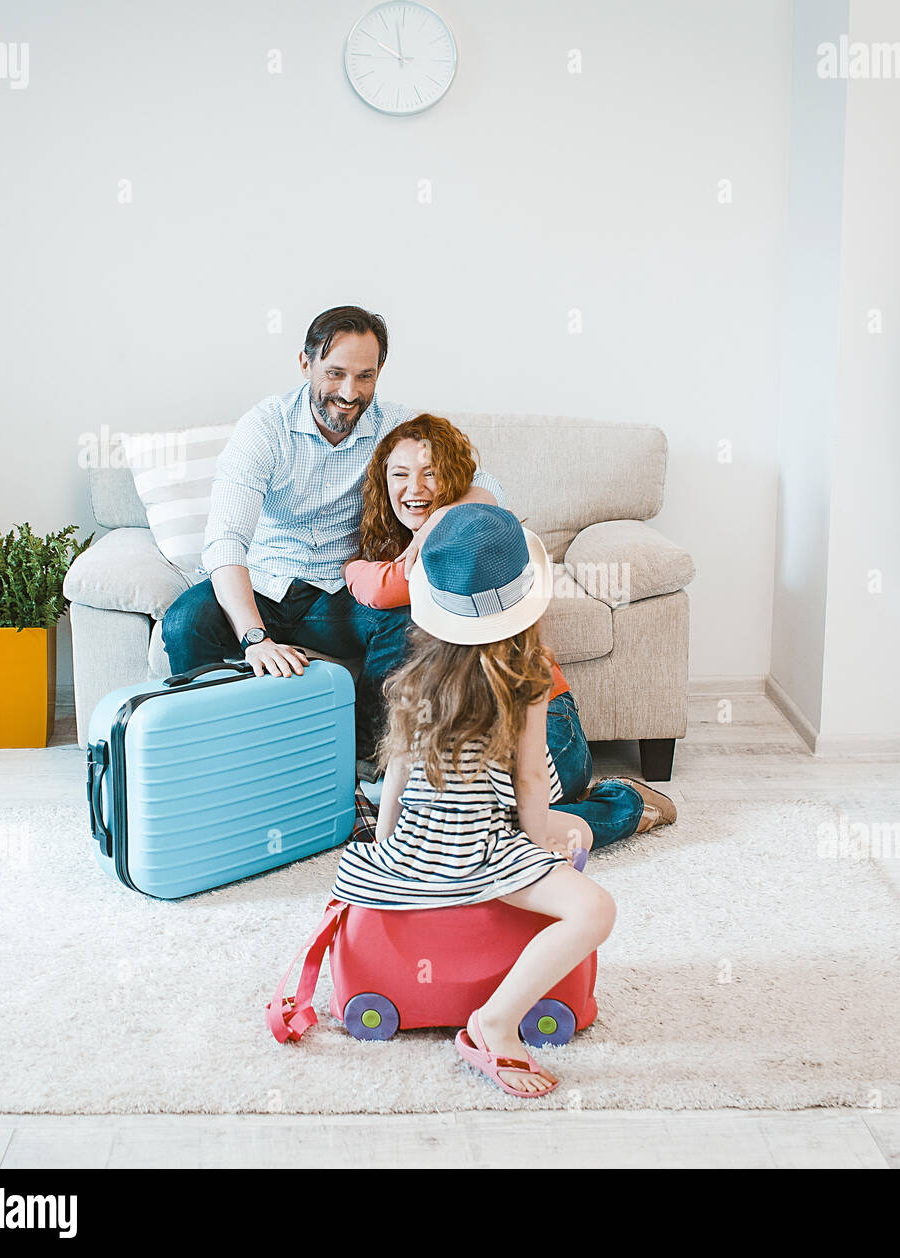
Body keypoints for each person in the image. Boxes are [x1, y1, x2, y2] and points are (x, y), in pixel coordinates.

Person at [331, 503, 616, 1097]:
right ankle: (495, 1020)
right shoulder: (527, 676)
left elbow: (396, 780)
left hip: (415, 849)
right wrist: (555, 844)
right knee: (595, 906)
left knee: (573, 837)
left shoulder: (414, 675)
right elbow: (533, 789)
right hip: (481, 851)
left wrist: (387, 852)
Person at [160, 306, 505, 761]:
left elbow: (491, 489)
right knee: (185, 622)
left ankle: (361, 758)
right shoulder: (265, 428)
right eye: (335, 372)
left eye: (364, 376)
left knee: (410, 622)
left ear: (380, 372)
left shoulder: (396, 427)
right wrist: (255, 638)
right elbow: (225, 542)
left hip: (340, 593)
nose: (348, 392)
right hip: (264, 582)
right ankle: (211, 754)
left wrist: (438, 522)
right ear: (305, 363)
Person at [343, 413, 677, 846]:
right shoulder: (392, 543)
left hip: (546, 729)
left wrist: (354, 567)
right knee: (454, 822)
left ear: (455, 481)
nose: (414, 488)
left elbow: (380, 587)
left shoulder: (483, 543)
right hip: (471, 736)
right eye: (400, 474)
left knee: (500, 827)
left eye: (431, 474)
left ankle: (626, 806)